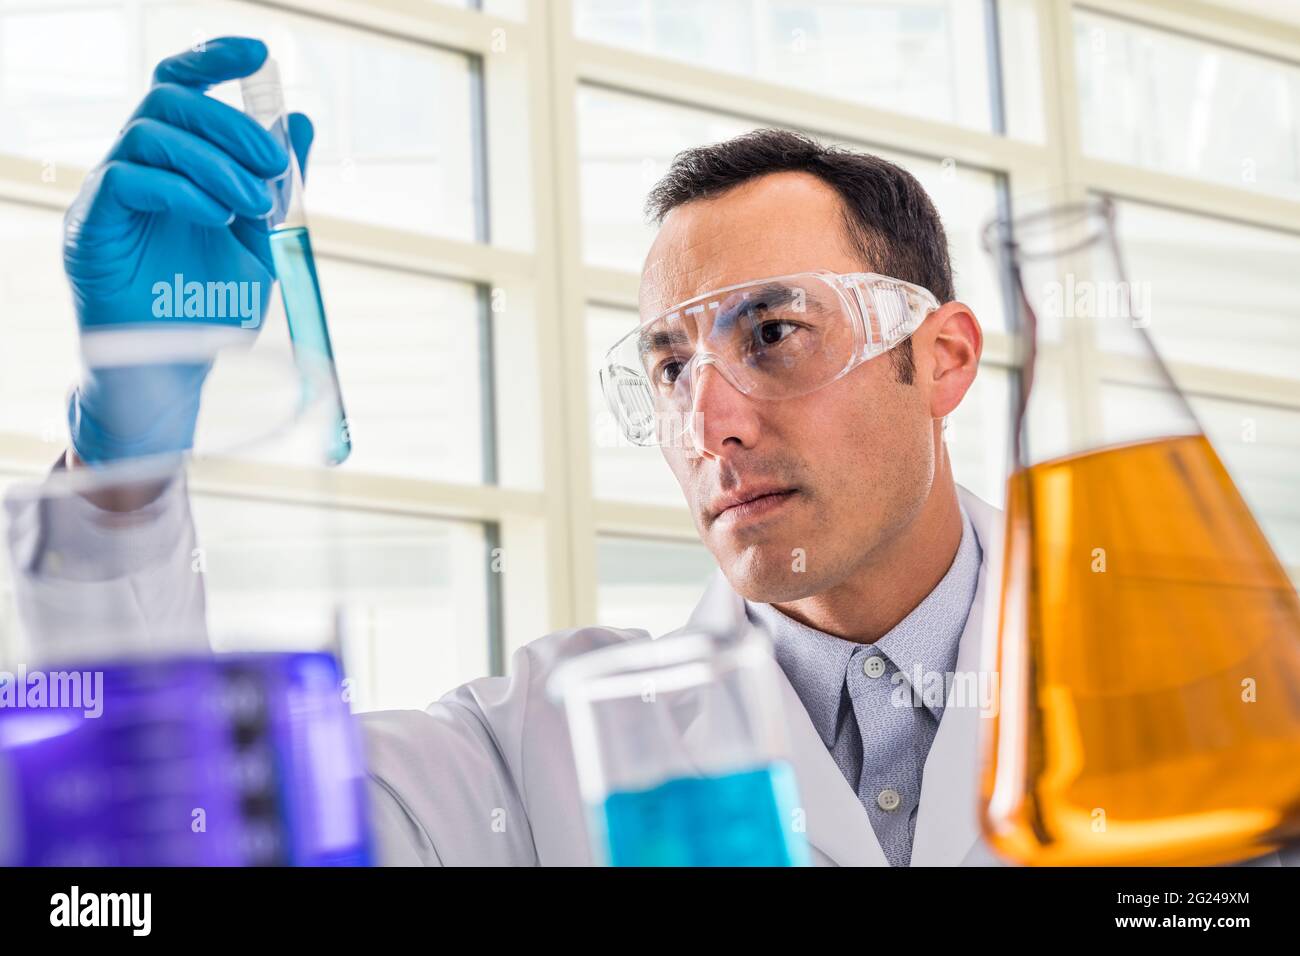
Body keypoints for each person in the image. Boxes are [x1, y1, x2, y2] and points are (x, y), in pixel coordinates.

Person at [8, 37, 1292, 867]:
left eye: (775, 332)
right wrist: (137, 420)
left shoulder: (1210, 666)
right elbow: (157, 838)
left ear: (942, 358)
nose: (707, 421)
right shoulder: (532, 746)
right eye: (670, 366)